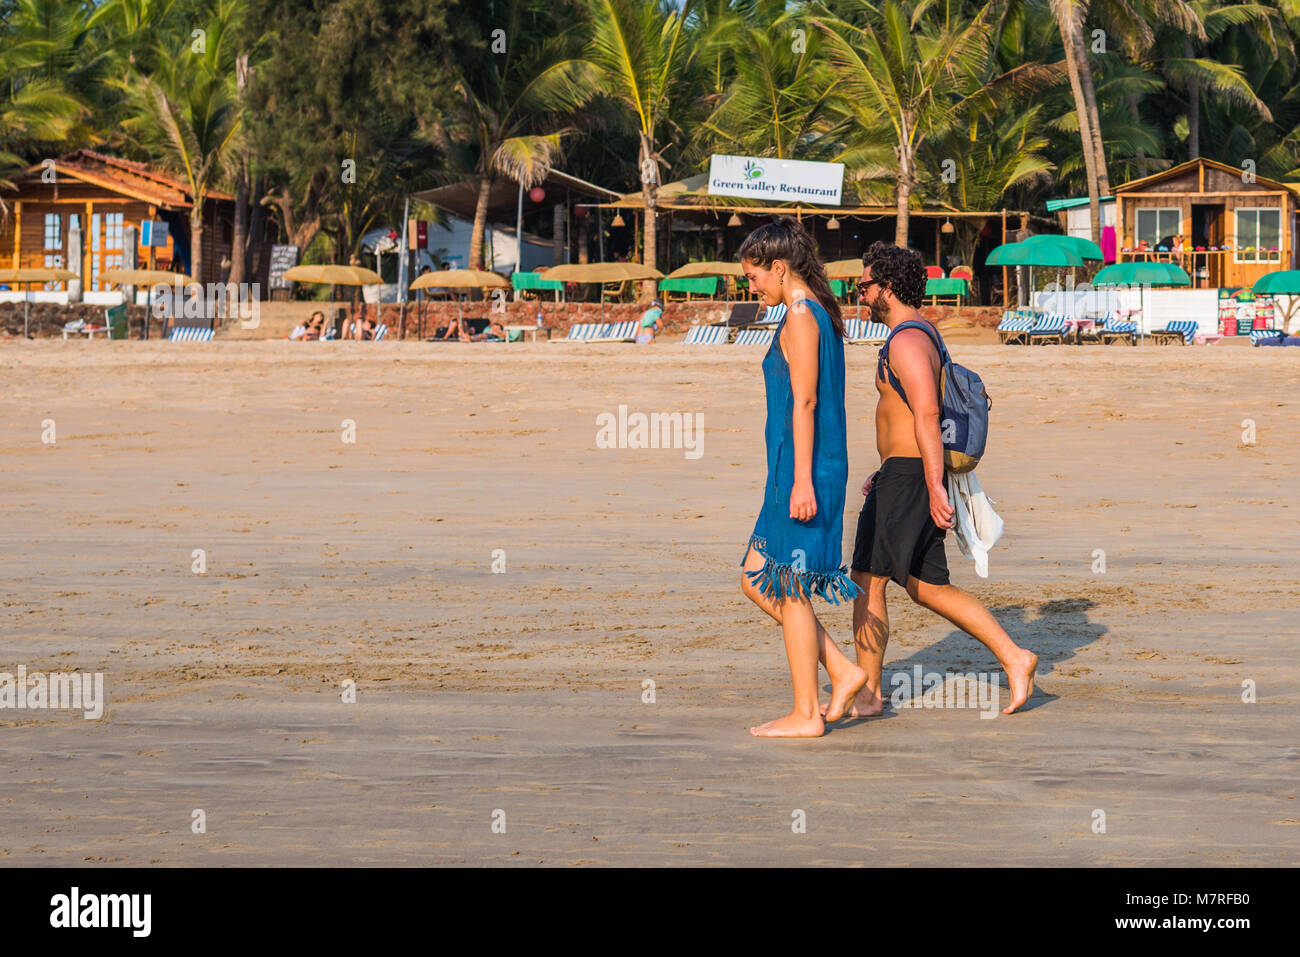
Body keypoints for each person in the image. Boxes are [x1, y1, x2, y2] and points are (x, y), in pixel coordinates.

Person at [832, 242, 1038, 720]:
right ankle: (1014, 656)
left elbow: (926, 414)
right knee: (925, 585)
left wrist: (930, 483)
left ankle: (868, 695)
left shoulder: (906, 340)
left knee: (867, 580)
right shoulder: (920, 334)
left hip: (911, 476)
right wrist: (890, 468)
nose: (859, 293)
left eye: (864, 285)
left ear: (887, 287)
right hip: (903, 472)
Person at [738, 218, 867, 739]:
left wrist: (802, 482)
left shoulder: (800, 316)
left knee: (789, 587)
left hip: (805, 470)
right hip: (793, 468)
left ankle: (807, 713)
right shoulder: (810, 311)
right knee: (755, 576)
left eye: (753, 277)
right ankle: (840, 669)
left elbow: (808, 401)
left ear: (779, 267)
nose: (751, 289)